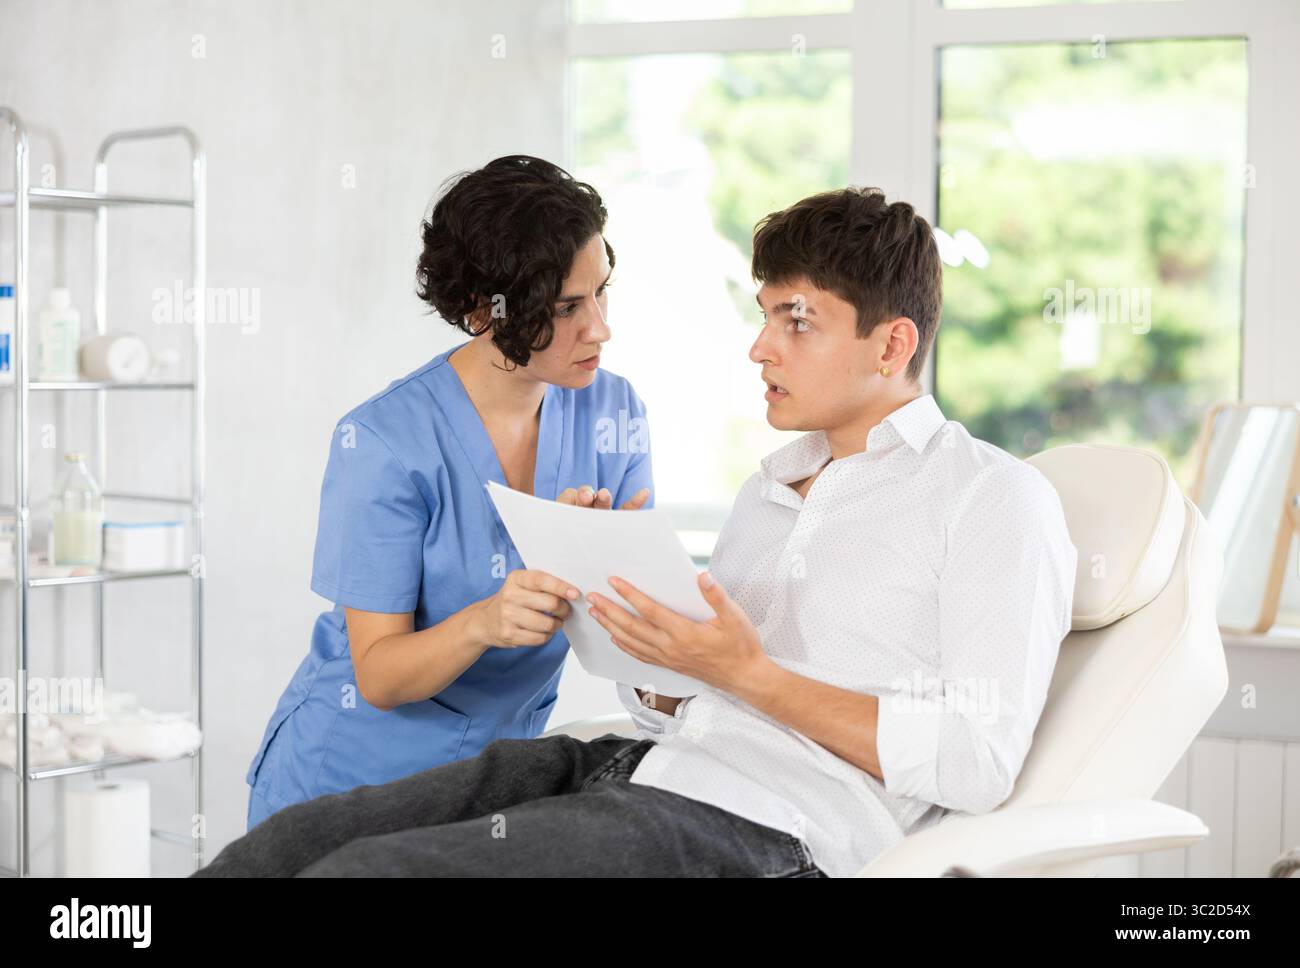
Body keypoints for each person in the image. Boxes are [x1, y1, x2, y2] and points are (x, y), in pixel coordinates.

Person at [204, 185, 1076, 876]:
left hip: (766, 825)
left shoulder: (992, 499)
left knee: (370, 878)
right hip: (635, 768)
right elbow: (678, 700)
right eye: (764, 313)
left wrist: (748, 674)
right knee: (283, 854)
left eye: (795, 321)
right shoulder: (768, 492)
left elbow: (974, 759)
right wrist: (636, 631)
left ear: (892, 347)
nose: (759, 348)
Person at [243, 156, 653, 830]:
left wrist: (603, 572)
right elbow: (377, 674)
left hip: (492, 791)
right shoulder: (384, 442)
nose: (600, 327)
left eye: (603, 291)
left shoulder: (613, 410)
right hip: (348, 786)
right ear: (481, 311)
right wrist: (486, 620)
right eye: (567, 308)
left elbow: (635, 638)